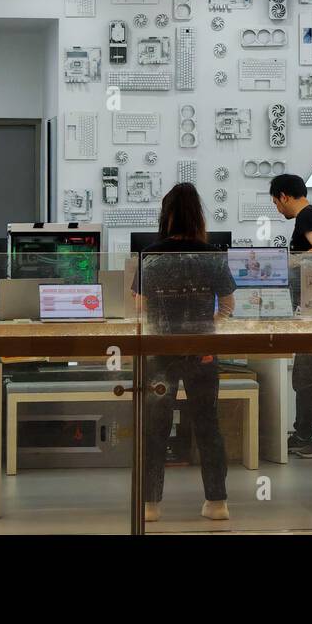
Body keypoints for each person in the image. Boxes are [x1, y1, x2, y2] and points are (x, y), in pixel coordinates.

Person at [133, 183, 236, 523]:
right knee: (208, 425)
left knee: (155, 426)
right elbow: (229, 306)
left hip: (160, 352)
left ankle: (149, 505)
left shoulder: (151, 255)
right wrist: (207, 327)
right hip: (203, 353)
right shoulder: (211, 255)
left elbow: (139, 309)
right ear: (198, 215)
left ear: (166, 215)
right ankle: (217, 503)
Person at [269, 172, 312, 459]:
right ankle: (308, 434)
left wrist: (286, 262)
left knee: (311, 376)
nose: (277, 208)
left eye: (275, 202)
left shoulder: (307, 216)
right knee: (309, 374)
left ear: (284, 196)